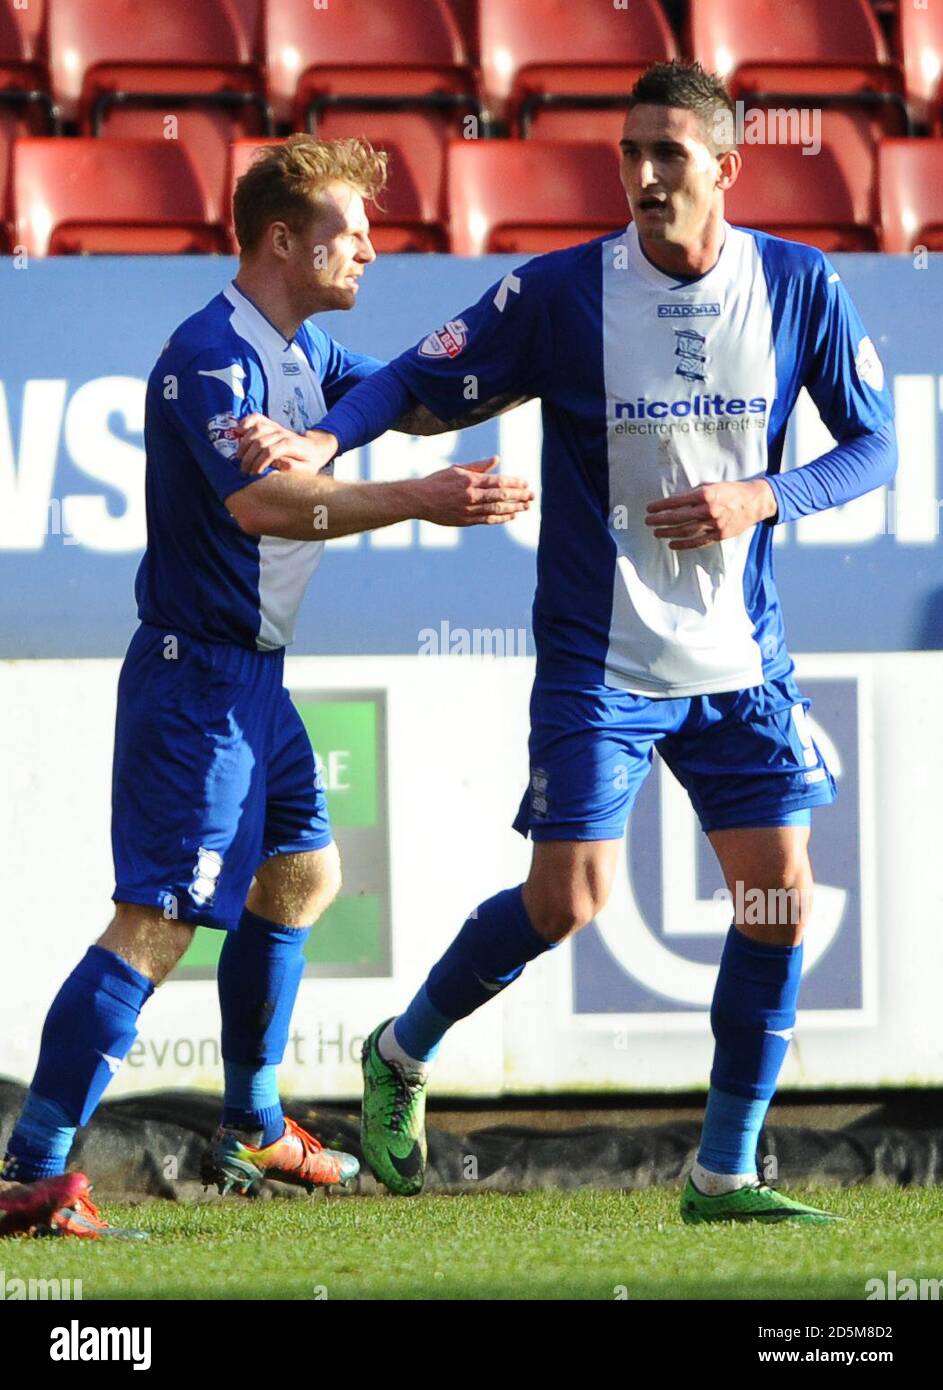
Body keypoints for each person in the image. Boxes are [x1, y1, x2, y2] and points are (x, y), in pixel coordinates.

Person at [239, 63, 897, 1222]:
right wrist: (324, 443)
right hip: (605, 664)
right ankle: (401, 1049)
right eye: (630, 152)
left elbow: (874, 445)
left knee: (777, 901)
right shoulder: (561, 293)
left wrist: (765, 497)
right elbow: (413, 378)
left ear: (725, 169)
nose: (642, 175)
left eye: (669, 156)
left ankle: (723, 1170)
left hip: (744, 663)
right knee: (567, 901)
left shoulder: (799, 286)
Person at [0, 135, 532, 1239]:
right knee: (153, 926)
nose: (374, 253)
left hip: (254, 686)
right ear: (284, 240)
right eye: (354, 234)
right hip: (197, 686)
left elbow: (409, 398)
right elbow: (267, 507)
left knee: (301, 876)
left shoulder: (303, 353)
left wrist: (530, 348)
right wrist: (422, 500)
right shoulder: (210, 355)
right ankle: (31, 1172)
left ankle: (250, 1123)